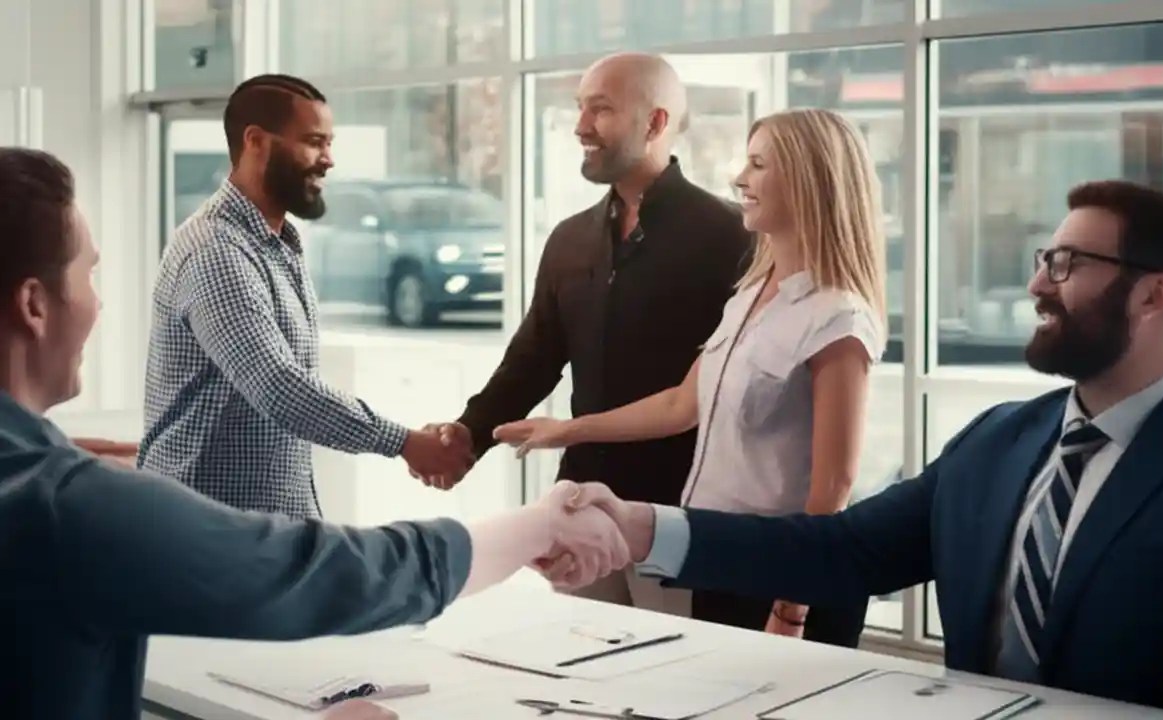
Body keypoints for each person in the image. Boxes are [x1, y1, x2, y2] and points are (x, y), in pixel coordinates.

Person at [549, 180, 1163, 719]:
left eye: (1066, 263)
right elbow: (845, 551)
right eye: (1042, 258)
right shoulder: (999, 440)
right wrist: (641, 527)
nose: (1035, 284)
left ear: (1155, 296)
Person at [0, 146, 629, 720]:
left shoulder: (55, 490)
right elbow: (331, 570)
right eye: (87, 276)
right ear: (34, 305)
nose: (98, 303)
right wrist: (540, 523)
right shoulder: (65, 506)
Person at [494, 108, 887, 647]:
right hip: (716, 560)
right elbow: (683, 404)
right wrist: (567, 430)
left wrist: (792, 610)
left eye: (757, 165)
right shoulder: (752, 294)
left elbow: (833, 487)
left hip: (777, 578)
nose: (739, 180)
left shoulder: (838, 317)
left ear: (808, 180)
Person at [424, 53, 754, 614]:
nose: (580, 127)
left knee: (673, 683)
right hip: (581, 507)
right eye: (580, 108)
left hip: (681, 515)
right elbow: (533, 357)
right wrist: (467, 435)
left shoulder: (731, 237)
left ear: (654, 123)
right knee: (578, 682)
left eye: (600, 110)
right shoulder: (570, 239)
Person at [138, 74, 469, 518]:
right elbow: (278, 386)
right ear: (256, 141)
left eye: (329, 143)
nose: (328, 160)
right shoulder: (215, 252)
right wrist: (405, 442)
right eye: (314, 142)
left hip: (264, 524)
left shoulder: (278, 244)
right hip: (204, 526)